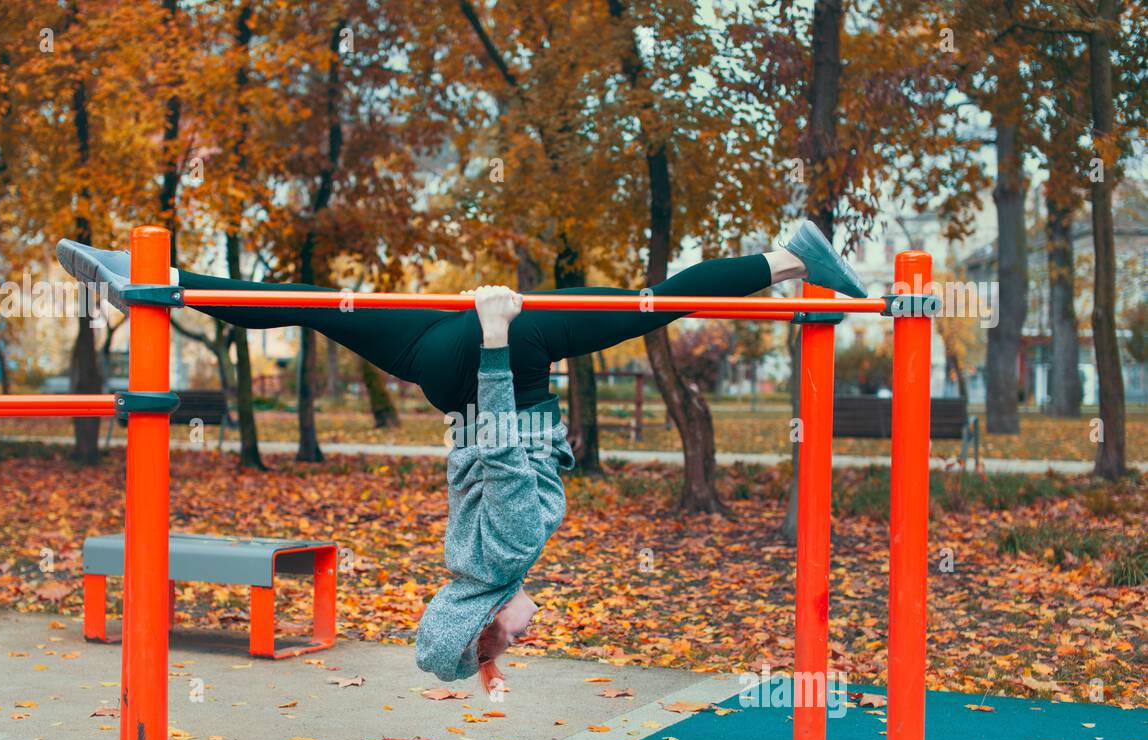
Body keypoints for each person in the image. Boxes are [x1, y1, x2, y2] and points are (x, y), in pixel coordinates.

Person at [56, 223, 867, 691]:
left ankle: (791, 259)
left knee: (643, 306)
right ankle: (160, 277)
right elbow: (473, 459)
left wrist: (491, 340)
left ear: (485, 623)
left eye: (501, 643)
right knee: (310, 307)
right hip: (432, 367)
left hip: (499, 360)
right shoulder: (466, 564)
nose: (520, 638)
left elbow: (501, 450)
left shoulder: (508, 554)